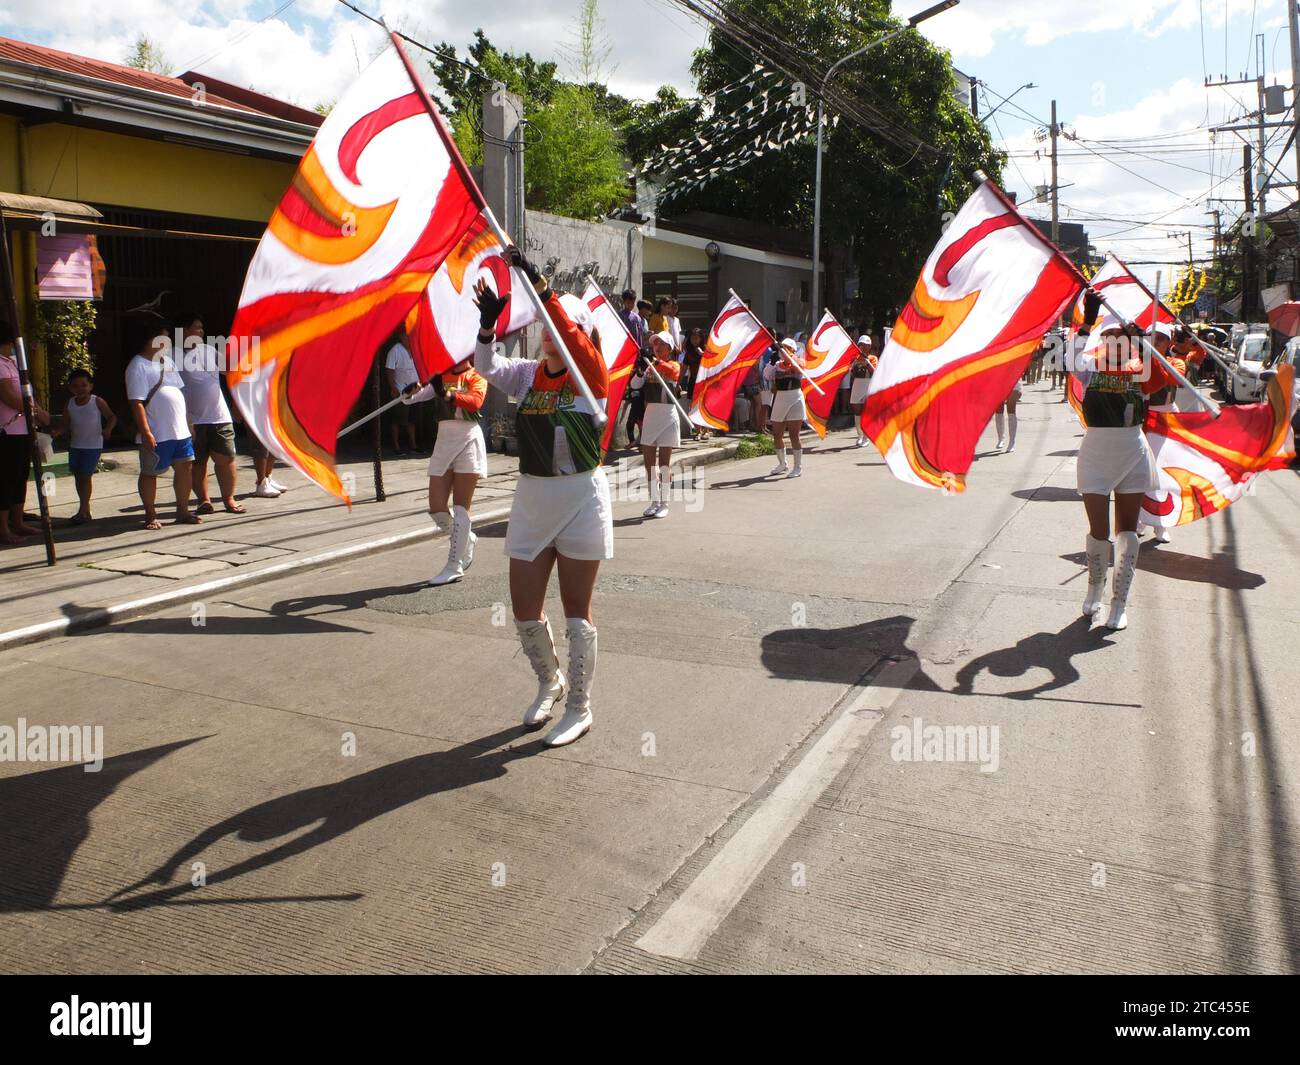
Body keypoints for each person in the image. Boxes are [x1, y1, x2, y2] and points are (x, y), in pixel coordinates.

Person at [472, 249, 611, 748]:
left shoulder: (592, 373)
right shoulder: (529, 374)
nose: (550, 333)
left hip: (580, 500)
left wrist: (543, 286)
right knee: (525, 610)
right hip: (532, 500)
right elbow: (484, 365)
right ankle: (549, 682)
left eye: (561, 326)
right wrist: (488, 327)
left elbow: (574, 337)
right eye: (547, 326)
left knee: (577, 612)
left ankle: (580, 705)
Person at [1076, 322, 1175, 630]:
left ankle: (1119, 602)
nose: (1114, 343)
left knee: (1127, 533)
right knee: (1098, 531)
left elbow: (1164, 376)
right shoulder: (1089, 367)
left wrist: (1143, 344)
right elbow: (1075, 354)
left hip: (1132, 452)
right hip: (1095, 454)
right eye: (1109, 337)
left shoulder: (1140, 369)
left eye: (1121, 338)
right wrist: (1087, 317)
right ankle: (1095, 589)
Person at [401, 354, 488, 585]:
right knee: (437, 507)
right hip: (444, 442)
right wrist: (409, 392)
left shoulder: (476, 375)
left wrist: (447, 395)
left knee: (461, 508)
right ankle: (466, 538)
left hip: (468, 439)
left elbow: (475, 401)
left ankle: (454, 565)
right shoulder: (440, 377)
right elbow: (415, 398)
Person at [125, 316, 200, 529]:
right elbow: (136, 403)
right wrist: (146, 432)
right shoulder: (137, 366)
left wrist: (189, 423)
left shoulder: (168, 361)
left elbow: (179, 391)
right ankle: (150, 515)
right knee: (150, 473)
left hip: (180, 431)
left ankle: (183, 511)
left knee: (185, 467)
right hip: (157, 431)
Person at [175, 312, 245, 515]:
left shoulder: (210, 350)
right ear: (184, 330)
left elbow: (232, 372)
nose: (201, 331)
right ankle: (203, 501)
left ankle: (229, 499)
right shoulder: (172, 354)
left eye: (201, 328)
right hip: (191, 420)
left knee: (226, 459)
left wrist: (237, 404)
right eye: (197, 327)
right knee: (197, 463)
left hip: (219, 415)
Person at [0, 318, 50, 544]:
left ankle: (17, 521)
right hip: (7, 431)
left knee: (20, 477)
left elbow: (26, 394)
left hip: (22, 429)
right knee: (6, 479)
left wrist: (36, 411)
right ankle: (3, 528)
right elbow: (11, 397)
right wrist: (36, 411)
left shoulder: (10, 362)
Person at [54, 368, 115, 524]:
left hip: (93, 445)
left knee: (85, 477)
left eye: (83, 385)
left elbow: (111, 417)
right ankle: (85, 510)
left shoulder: (97, 401)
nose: (80, 389)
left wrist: (108, 429)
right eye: (75, 386)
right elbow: (65, 424)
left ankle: (83, 511)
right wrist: (56, 432)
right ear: (70, 388)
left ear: (90, 386)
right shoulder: (70, 403)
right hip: (75, 445)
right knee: (78, 476)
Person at [633, 331, 682, 518]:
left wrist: (654, 363)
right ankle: (654, 501)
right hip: (651, 417)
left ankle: (665, 502)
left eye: (662, 344)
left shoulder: (673, 365)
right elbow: (636, 385)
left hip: (668, 417)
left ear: (669, 348)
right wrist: (640, 370)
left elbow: (673, 373)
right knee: (649, 465)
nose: (658, 347)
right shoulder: (649, 366)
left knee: (664, 465)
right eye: (655, 344)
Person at [765, 337, 807, 477]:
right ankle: (782, 464)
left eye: (787, 347)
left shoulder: (799, 360)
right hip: (780, 399)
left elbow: (798, 369)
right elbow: (767, 375)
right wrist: (771, 363)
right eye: (782, 347)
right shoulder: (777, 364)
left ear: (793, 350)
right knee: (777, 434)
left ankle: (798, 467)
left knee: (794, 435)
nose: (783, 350)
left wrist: (789, 358)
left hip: (795, 397)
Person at [384, 334, 420, 457]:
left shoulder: (415, 348)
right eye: (407, 336)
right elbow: (389, 370)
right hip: (400, 390)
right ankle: (396, 446)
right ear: (401, 337)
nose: (409, 339)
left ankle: (413, 445)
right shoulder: (395, 350)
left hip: (415, 391)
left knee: (412, 419)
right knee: (397, 419)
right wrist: (393, 388)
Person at [849, 337, 875, 447]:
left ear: (869, 346)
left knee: (866, 410)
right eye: (861, 345)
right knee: (857, 410)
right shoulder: (854, 358)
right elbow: (850, 371)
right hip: (857, 385)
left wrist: (867, 361)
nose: (862, 347)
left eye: (865, 345)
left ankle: (866, 436)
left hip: (868, 384)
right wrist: (855, 363)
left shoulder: (873, 357)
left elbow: (874, 371)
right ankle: (860, 435)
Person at [994, 372, 1023, 453]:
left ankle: (1012, 442)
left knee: (1011, 410)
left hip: (1013, 379)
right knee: (999, 410)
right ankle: (1001, 439)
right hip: (998, 380)